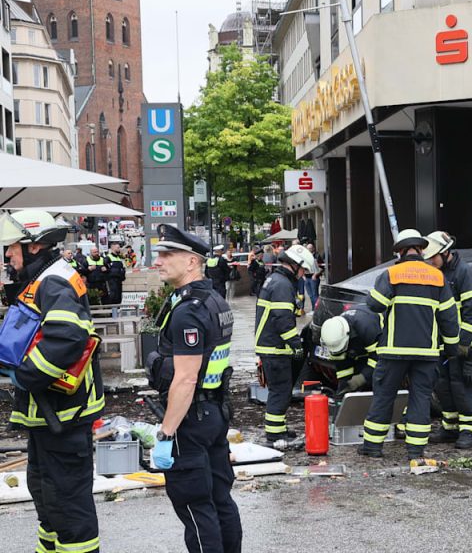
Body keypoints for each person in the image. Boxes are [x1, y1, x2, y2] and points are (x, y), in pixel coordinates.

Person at [0, 210, 104, 553]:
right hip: (49, 418)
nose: (6, 255)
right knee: (49, 498)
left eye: (12, 247)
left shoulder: (54, 280)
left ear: (33, 246)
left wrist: (26, 376)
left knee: (69, 507)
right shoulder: (43, 278)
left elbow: (68, 336)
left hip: (63, 415)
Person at [148, 225, 242, 553]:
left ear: (191, 262)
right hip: (214, 412)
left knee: (195, 506)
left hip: (191, 421)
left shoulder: (189, 310)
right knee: (220, 501)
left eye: (166, 255)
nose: (158, 261)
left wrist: (165, 434)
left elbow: (186, 379)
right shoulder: (213, 299)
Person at [359, 229, 459, 459]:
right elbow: (449, 318)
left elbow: (375, 305)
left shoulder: (391, 274)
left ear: (400, 250)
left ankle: (372, 447)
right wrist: (453, 348)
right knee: (420, 398)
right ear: (421, 249)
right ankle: (415, 450)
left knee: (384, 396)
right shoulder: (437, 276)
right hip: (426, 353)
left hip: (393, 351)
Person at [423, 231, 472, 449]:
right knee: (443, 388)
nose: (430, 262)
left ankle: (469, 431)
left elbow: (471, 311)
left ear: (445, 252)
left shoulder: (463, 273)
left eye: (433, 257)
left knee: (463, 388)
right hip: (444, 344)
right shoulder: (438, 274)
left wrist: (464, 345)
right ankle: (450, 428)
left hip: (464, 346)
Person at [254, 243, 318, 442]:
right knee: (281, 390)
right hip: (275, 347)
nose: (303, 274)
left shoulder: (275, 279)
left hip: (270, 345)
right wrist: (296, 345)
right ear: (295, 265)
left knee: (280, 389)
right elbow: (282, 319)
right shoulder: (282, 284)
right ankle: (274, 434)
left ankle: (278, 427)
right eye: (303, 270)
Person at [317, 305, 382, 395]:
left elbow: (379, 358)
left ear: (348, 336)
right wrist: (343, 387)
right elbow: (342, 365)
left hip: (383, 343)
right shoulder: (334, 335)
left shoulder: (366, 327)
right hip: (363, 346)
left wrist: (361, 378)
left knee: (379, 380)